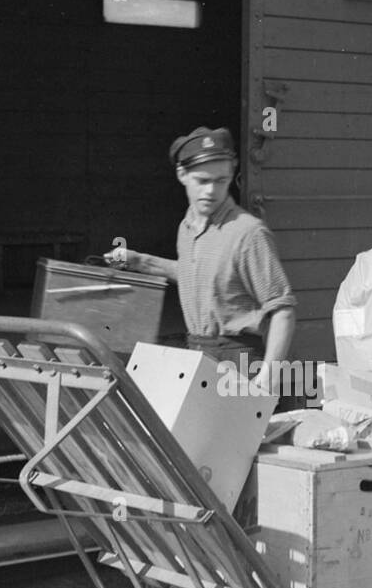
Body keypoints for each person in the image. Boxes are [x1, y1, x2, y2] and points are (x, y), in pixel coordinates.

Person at [105, 126, 296, 398]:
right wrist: (140, 261)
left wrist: (267, 377)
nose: (211, 191)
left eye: (221, 180)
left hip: (239, 359)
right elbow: (196, 274)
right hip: (198, 351)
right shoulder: (188, 227)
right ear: (182, 175)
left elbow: (283, 310)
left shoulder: (248, 232)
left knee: (228, 440)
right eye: (202, 180)